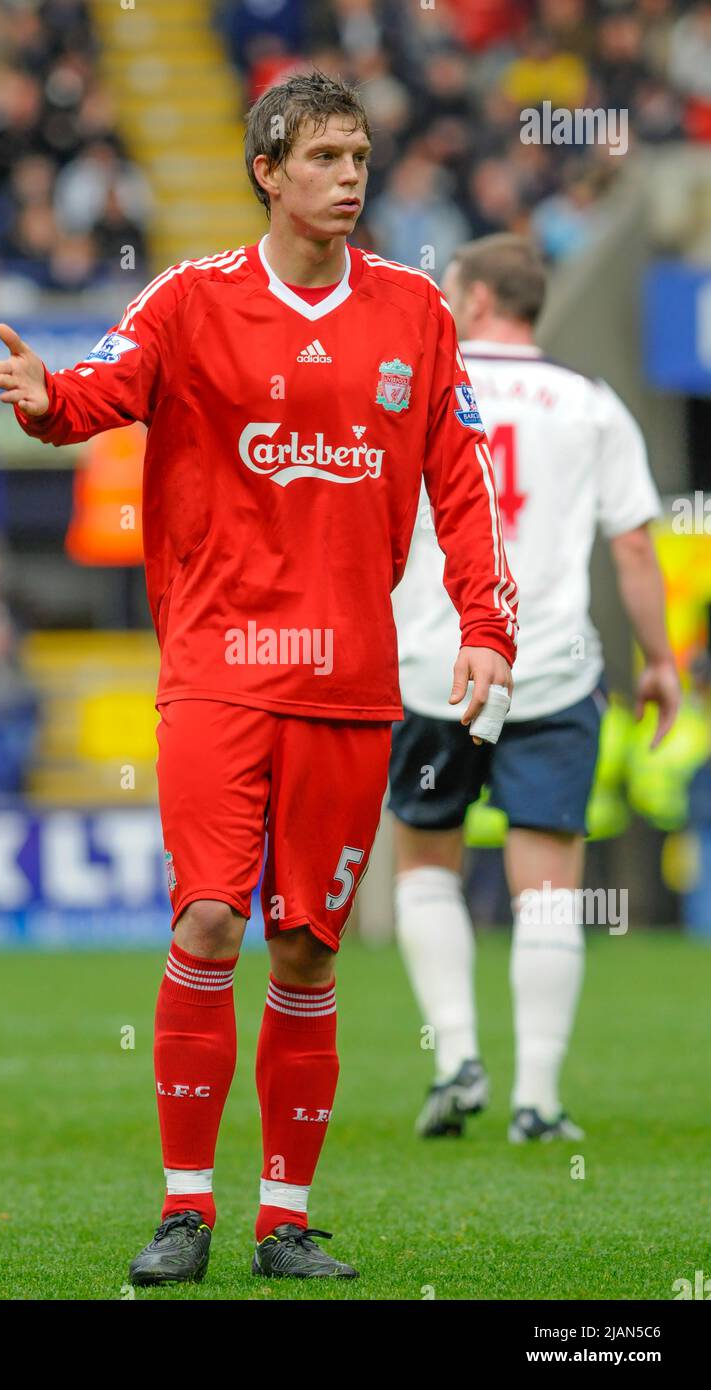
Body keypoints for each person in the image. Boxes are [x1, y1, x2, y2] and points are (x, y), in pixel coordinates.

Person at [0, 70, 517, 1284]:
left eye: (360, 157)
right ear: (267, 171)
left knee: (309, 953)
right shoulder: (189, 300)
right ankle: (184, 1210)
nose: (349, 177)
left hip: (349, 679)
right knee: (211, 915)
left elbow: (460, 476)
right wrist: (42, 400)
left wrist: (483, 622)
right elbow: (97, 396)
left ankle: (284, 1220)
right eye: (324, 157)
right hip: (219, 667)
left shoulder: (415, 314)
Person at [390, 233, 680, 1144]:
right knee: (548, 883)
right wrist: (659, 659)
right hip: (546, 669)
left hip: (431, 665)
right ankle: (538, 1100)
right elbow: (634, 543)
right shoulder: (588, 401)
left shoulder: (413, 386)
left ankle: (454, 1061)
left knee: (426, 859)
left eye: (448, 287)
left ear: (475, 301)